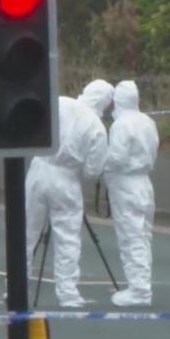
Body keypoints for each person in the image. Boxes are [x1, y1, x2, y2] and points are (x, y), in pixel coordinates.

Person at [25, 79, 114, 308]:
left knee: (26, 232)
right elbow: (93, 171)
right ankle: (67, 293)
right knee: (67, 236)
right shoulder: (96, 127)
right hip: (66, 178)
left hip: (39, 167)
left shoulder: (59, 102)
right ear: (105, 103)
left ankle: (15, 286)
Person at [104, 80, 159, 307]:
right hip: (144, 182)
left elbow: (116, 157)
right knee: (143, 235)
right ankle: (141, 283)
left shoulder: (122, 125)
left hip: (126, 183)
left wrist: (99, 163)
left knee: (131, 236)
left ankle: (139, 290)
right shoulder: (147, 121)